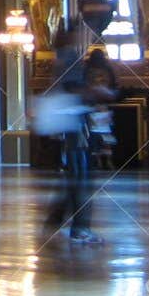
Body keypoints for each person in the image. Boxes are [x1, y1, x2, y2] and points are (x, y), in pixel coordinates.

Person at [41, 25, 108, 244]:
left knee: (75, 175)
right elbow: (71, 86)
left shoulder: (62, 56)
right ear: (72, 36)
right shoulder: (70, 56)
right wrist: (94, 91)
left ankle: (55, 218)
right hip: (75, 122)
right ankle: (80, 229)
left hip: (70, 121)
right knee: (81, 177)